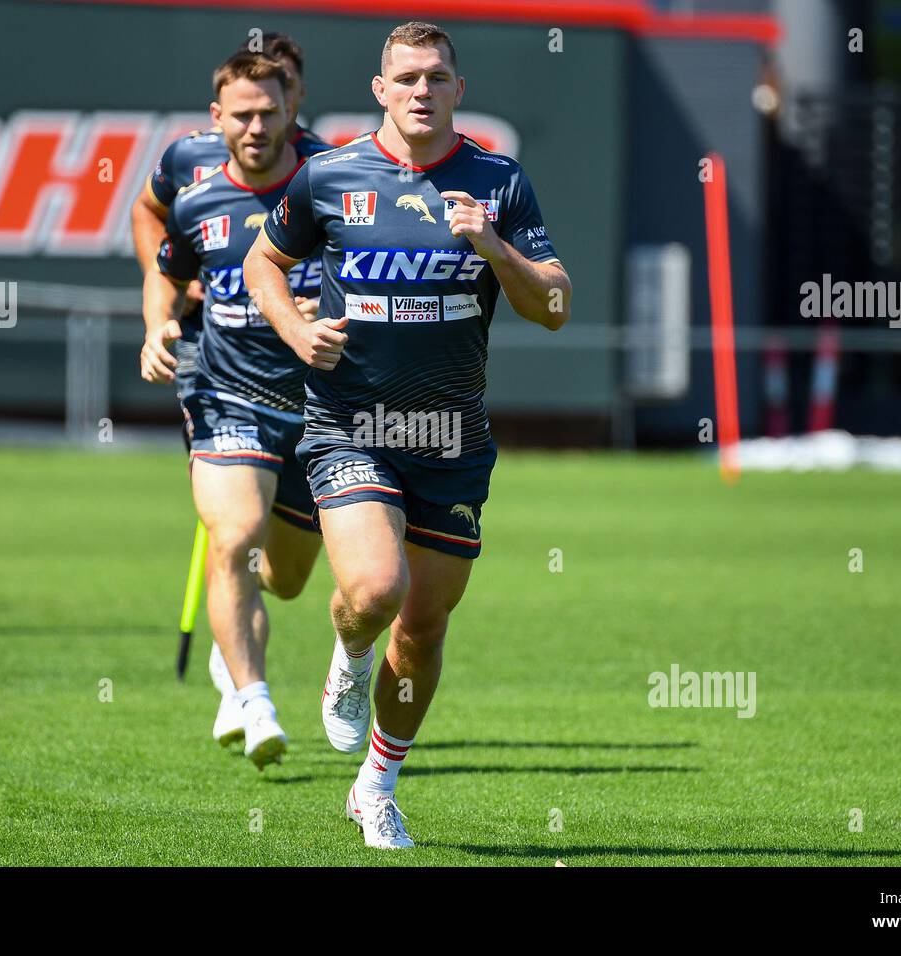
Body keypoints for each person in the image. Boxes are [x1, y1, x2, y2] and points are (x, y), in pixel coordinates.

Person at [245, 21, 571, 846]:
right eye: (407, 77)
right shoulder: (328, 176)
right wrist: (291, 329)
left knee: (423, 629)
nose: (422, 90)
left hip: (453, 440)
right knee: (376, 592)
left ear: (459, 90)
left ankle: (377, 785)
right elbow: (262, 263)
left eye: (437, 77)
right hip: (350, 426)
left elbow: (556, 306)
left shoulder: (498, 182)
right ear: (380, 90)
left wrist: (494, 248)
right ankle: (349, 658)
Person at [128, 32, 329, 703]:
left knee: (290, 575)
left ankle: (234, 601)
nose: (266, 120)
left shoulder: (328, 169)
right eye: (247, 110)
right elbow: (151, 216)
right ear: (221, 112)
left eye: (281, 102)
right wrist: (167, 300)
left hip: (310, 392)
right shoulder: (189, 163)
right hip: (219, 370)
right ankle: (249, 685)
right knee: (235, 532)